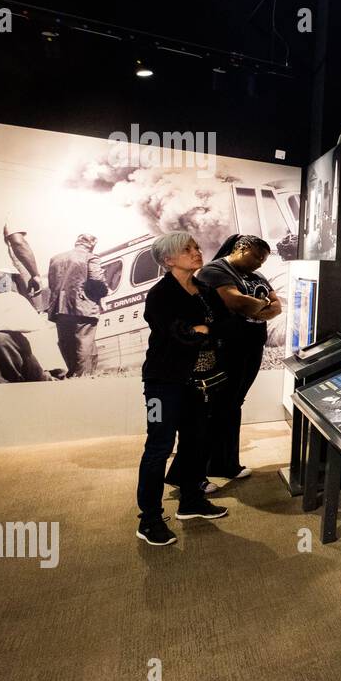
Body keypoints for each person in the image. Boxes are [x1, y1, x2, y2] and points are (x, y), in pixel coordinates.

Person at [135, 231, 230, 546]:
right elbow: (180, 335)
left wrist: (203, 330)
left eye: (196, 247)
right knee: (159, 447)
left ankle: (191, 501)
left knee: (196, 441)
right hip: (164, 382)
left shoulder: (204, 290)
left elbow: (223, 328)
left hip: (199, 382)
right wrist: (200, 331)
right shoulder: (160, 295)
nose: (196, 252)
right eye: (186, 249)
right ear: (168, 259)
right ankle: (149, 519)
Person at [168, 233, 281, 489]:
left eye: (263, 260)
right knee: (212, 410)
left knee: (231, 405)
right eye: (256, 257)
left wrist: (260, 305)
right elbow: (238, 302)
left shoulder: (255, 276)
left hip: (249, 348)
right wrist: (260, 304)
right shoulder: (215, 271)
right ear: (241, 248)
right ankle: (188, 476)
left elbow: (277, 306)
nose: (260, 264)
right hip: (225, 350)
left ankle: (224, 464)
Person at [47, 234, 109, 377]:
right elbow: (97, 280)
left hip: (59, 308)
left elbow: (52, 284)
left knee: (66, 342)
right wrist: (101, 299)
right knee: (84, 341)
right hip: (83, 307)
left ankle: (73, 374)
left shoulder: (55, 259)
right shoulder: (90, 257)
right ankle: (84, 377)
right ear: (92, 244)